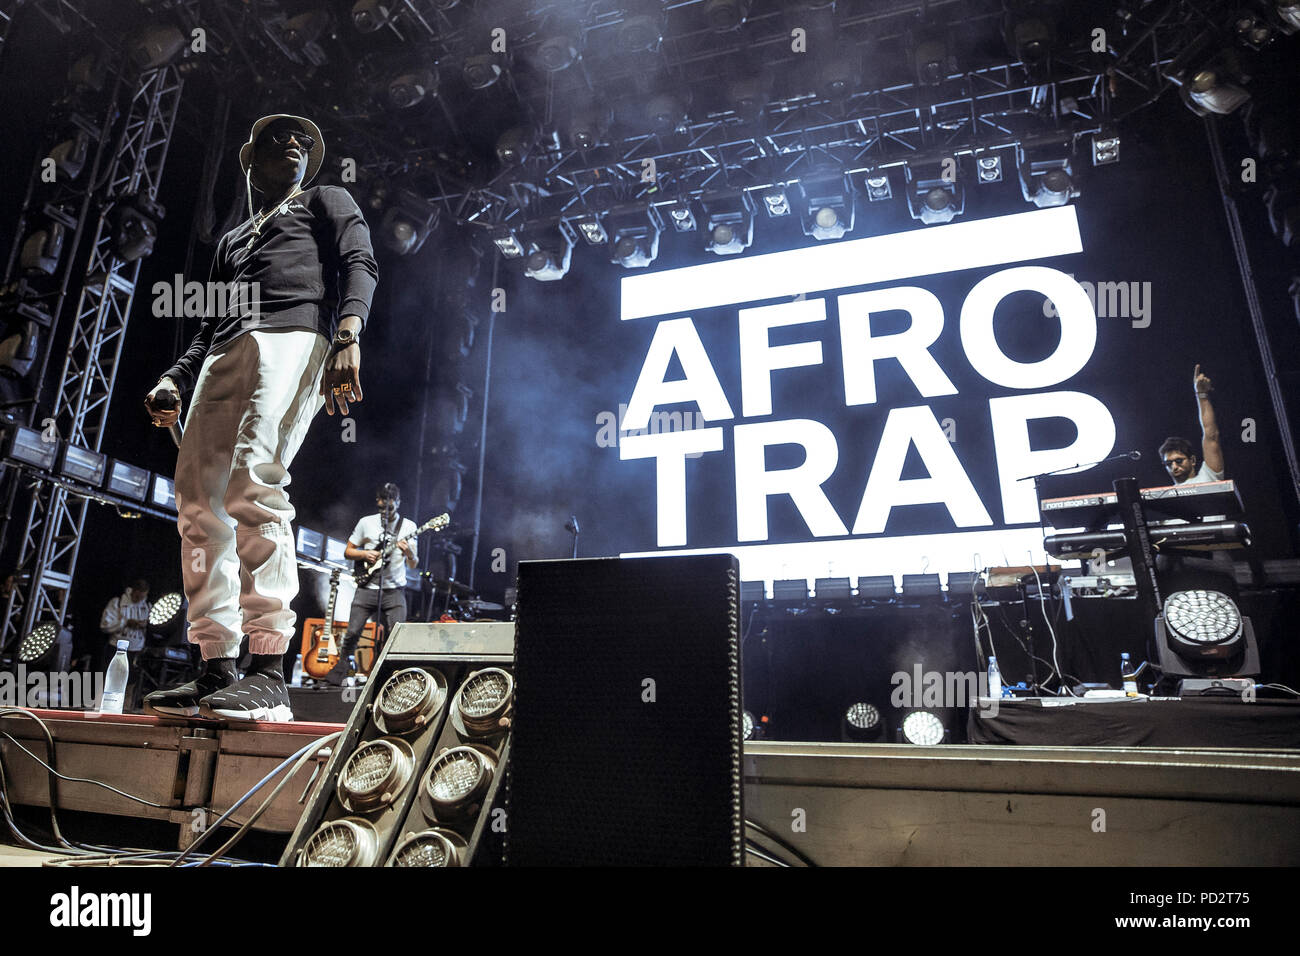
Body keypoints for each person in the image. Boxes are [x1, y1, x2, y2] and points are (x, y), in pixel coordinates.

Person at [141, 114, 378, 721]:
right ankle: (214, 664)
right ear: (250, 160)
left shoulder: (326, 199)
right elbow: (208, 322)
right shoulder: (233, 239)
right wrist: (176, 376)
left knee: (254, 479)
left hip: (294, 335)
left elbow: (361, 261)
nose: (293, 145)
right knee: (196, 504)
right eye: (279, 139)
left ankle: (268, 668)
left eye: (303, 140)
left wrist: (348, 334)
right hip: (225, 350)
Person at [327, 483, 418, 685]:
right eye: (381, 506)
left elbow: (413, 564)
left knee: (397, 631)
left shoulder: (409, 527)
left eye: (390, 507)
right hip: (367, 587)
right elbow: (348, 551)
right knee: (352, 632)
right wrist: (364, 554)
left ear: (398, 503)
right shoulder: (366, 523)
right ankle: (343, 666)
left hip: (394, 590)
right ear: (378, 502)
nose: (385, 512)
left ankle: (389, 673)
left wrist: (409, 552)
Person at [1158, 364, 1225, 485]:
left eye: (1178, 461)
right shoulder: (1164, 495)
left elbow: (1211, 435)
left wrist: (1202, 395)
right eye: (1168, 463)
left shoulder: (1208, 476)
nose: (1174, 466)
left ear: (1192, 460)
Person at [100, 578, 151, 669]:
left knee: (131, 681)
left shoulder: (147, 606)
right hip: (115, 647)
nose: (139, 600)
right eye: (137, 597)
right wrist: (125, 623)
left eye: (142, 597)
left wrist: (145, 625)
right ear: (133, 591)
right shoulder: (117, 602)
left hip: (136, 650)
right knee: (109, 678)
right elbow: (105, 625)